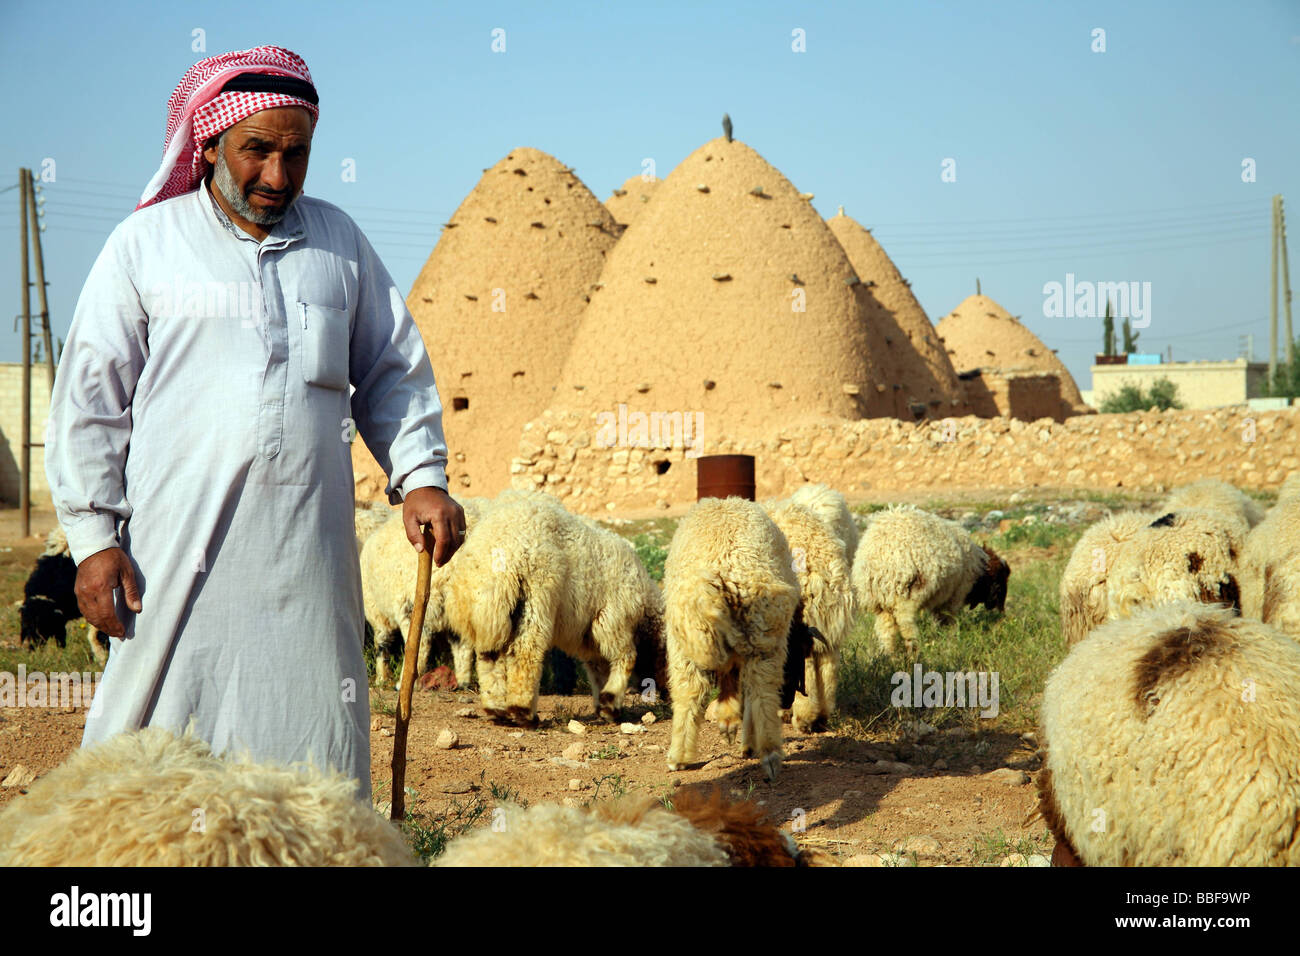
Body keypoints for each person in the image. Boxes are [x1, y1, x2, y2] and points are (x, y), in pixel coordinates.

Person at [44, 45, 463, 802]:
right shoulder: (147, 247)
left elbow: (392, 370)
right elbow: (87, 403)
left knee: (313, 764)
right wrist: (93, 541)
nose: (277, 176)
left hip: (308, 557)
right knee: (152, 765)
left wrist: (422, 478)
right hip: (174, 559)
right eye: (256, 150)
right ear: (208, 143)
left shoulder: (339, 247)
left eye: (296, 155)